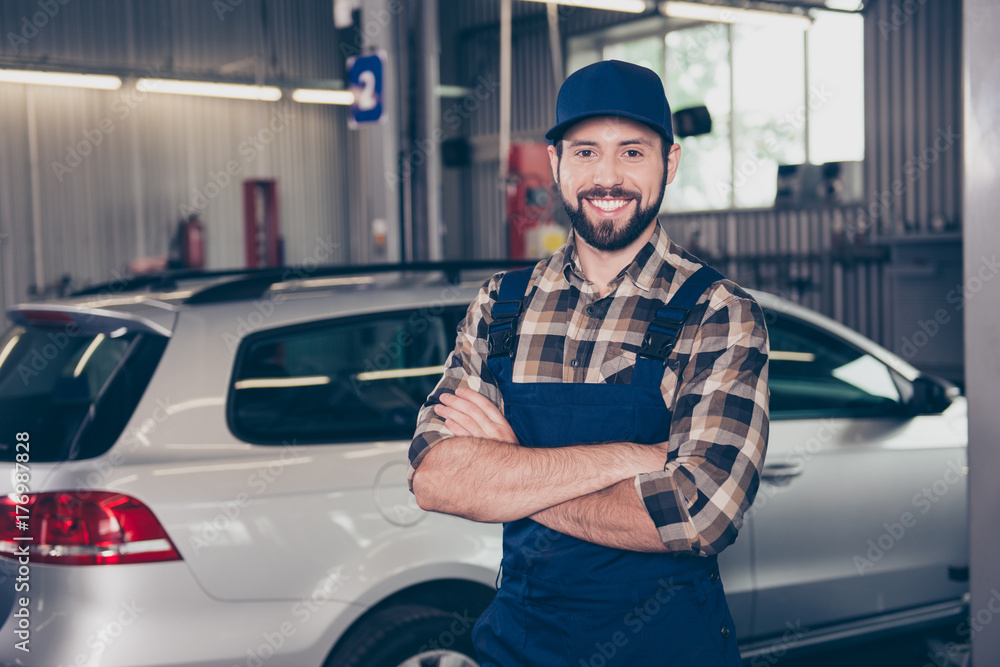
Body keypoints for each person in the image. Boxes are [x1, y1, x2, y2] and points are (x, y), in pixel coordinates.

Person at [408, 59, 769, 667]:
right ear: (555, 162)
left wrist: (511, 473)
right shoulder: (502, 304)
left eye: (632, 152)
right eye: (585, 152)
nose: (607, 177)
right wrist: (634, 459)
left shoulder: (718, 312)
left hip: (667, 650)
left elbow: (699, 513)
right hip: (521, 647)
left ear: (670, 162)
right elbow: (434, 478)